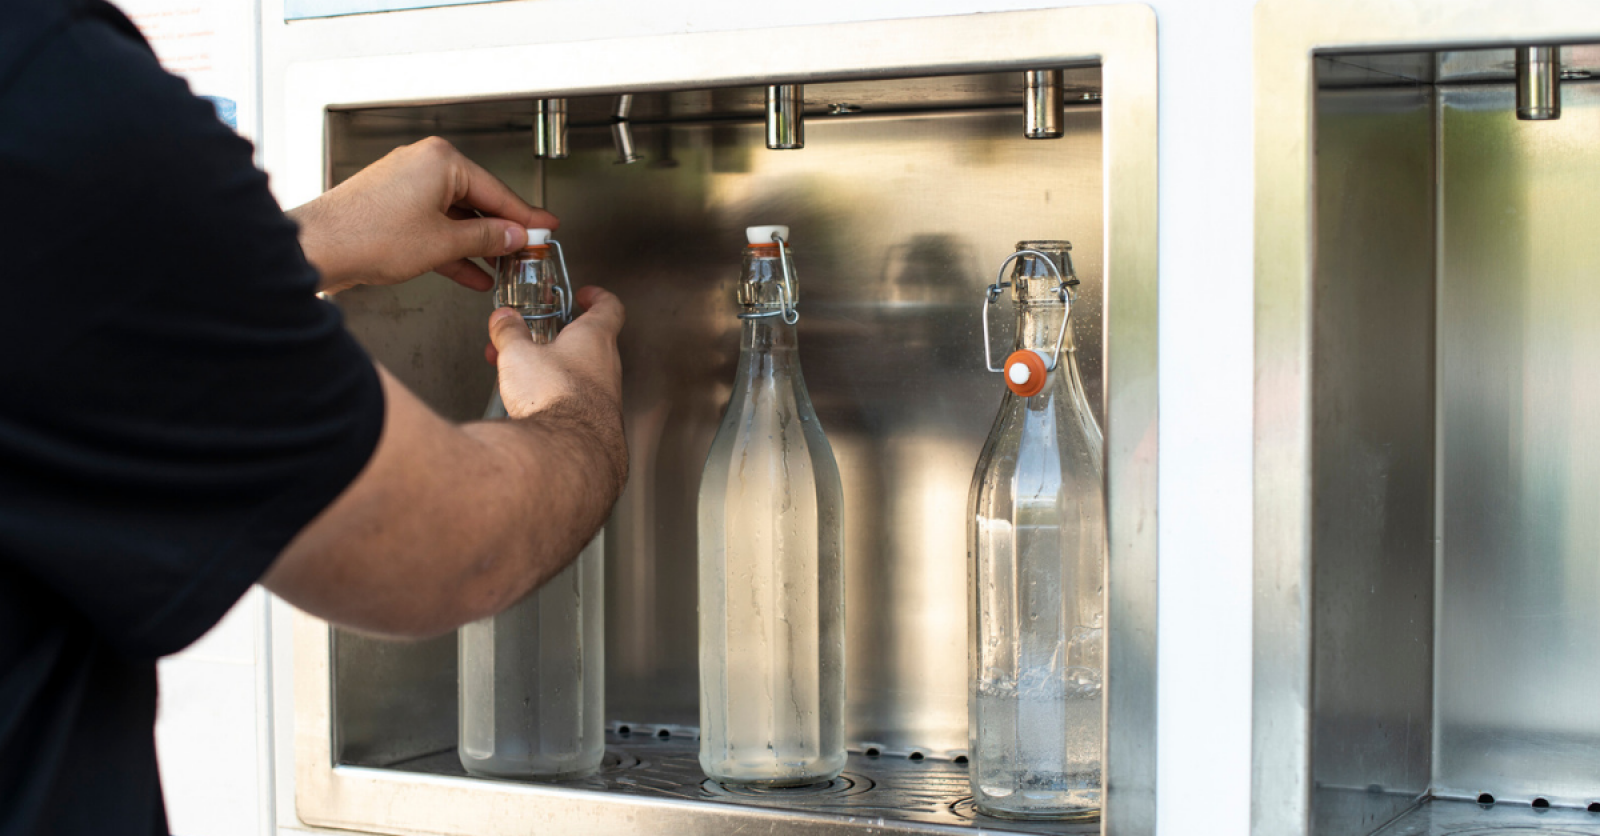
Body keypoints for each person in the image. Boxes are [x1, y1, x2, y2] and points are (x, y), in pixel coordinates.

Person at [0, 0, 629, 832]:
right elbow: (447, 548)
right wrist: (582, 412)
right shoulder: (46, 94)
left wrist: (300, 241)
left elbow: (55, 300)